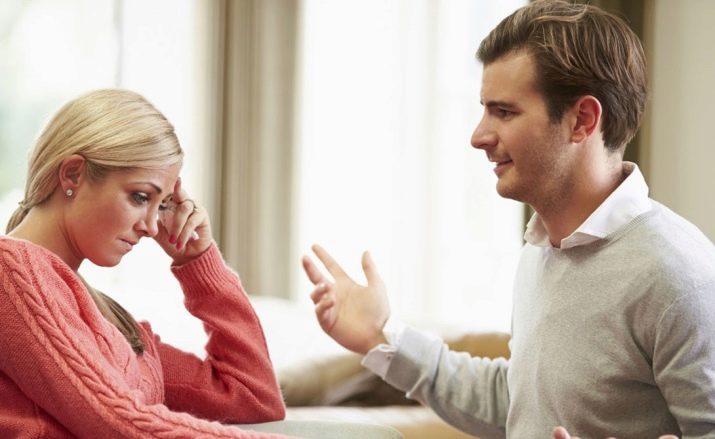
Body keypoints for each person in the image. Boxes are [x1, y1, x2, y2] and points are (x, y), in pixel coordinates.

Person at [301, 1, 715, 437]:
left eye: (504, 111)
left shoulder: (677, 276)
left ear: (582, 120)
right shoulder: (542, 249)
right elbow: (519, 402)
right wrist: (381, 336)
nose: (478, 136)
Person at [0, 89, 291, 438]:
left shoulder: (115, 324)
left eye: (164, 205)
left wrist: (199, 260)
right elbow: (115, 422)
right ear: (73, 174)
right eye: (141, 197)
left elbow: (253, 398)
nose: (152, 227)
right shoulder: (10, 270)